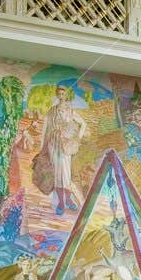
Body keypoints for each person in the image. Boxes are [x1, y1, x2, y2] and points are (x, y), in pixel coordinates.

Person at [41, 85, 85, 214]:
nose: (61, 96)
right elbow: (47, 130)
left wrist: (76, 139)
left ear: (66, 95)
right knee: (57, 174)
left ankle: (68, 200)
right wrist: (43, 146)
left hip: (65, 145)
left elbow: (83, 124)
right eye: (59, 94)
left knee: (66, 175)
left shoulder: (70, 111)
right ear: (56, 95)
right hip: (53, 144)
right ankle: (61, 202)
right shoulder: (52, 110)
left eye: (63, 94)